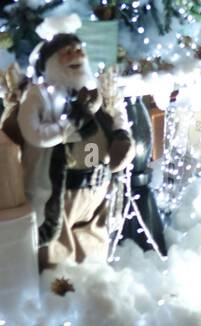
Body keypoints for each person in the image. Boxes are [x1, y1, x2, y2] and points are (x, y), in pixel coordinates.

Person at [8, 34, 132, 269]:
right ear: (51, 62)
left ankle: (94, 285)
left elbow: (115, 112)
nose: (76, 55)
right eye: (67, 51)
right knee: (57, 255)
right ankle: (58, 291)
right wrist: (70, 125)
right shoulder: (39, 95)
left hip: (97, 185)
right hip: (62, 189)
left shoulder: (94, 89)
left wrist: (121, 135)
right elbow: (33, 133)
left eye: (78, 49)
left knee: (93, 249)